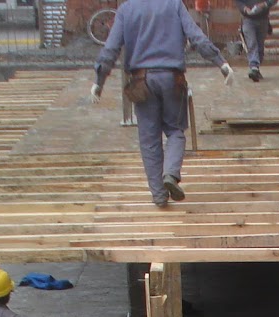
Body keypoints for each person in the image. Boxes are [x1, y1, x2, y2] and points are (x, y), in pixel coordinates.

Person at [92, 0, 235, 208]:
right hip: (171, 79)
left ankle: (159, 195)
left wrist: (99, 81)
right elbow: (196, 37)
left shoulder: (126, 10)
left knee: (149, 139)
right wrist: (220, 62)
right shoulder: (174, 5)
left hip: (141, 81)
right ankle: (171, 173)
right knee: (175, 131)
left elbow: (111, 48)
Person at [237, 1, 271, 82]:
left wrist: (264, 4)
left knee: (260, 45)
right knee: (252, 43)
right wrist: (244, 8)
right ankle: (254, 66)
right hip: (248, 19)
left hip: (263, 19)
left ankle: (256, 69)